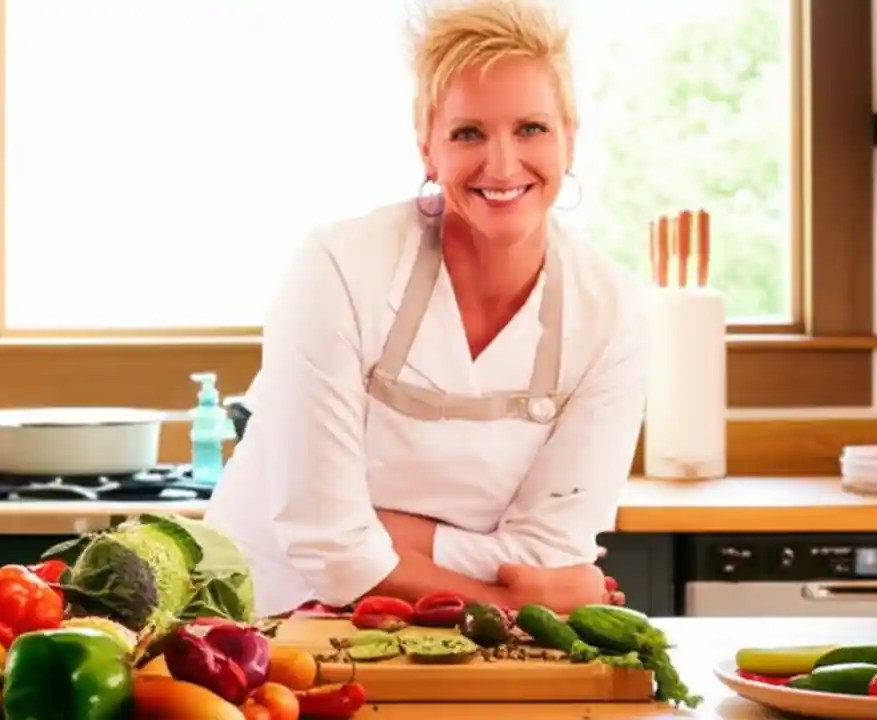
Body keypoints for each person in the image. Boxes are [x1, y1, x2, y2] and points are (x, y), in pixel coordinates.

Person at [206, 0, 650, 619]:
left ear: (570, 140)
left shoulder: (614, 313)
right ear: (428, 150)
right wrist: (510, 600)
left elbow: (553, 551)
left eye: (531, 128)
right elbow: (324, 543)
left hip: (467, 643)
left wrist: (380, 532)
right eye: (468, 133)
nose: (501, 165)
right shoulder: (340, 267)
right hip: (267, 622)